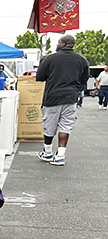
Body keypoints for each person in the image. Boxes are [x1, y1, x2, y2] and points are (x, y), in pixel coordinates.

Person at [35, 34, 89, 166]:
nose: (56, 45)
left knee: (49, 125)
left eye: (58, 42)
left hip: (52, 97)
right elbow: (84, 79)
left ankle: (47, 152)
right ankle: (60, 155)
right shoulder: (82, 60)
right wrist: (76, 90)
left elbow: (40, 77)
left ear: (63, 43)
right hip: (71, 98)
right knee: (66, 126)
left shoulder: (50, 59)